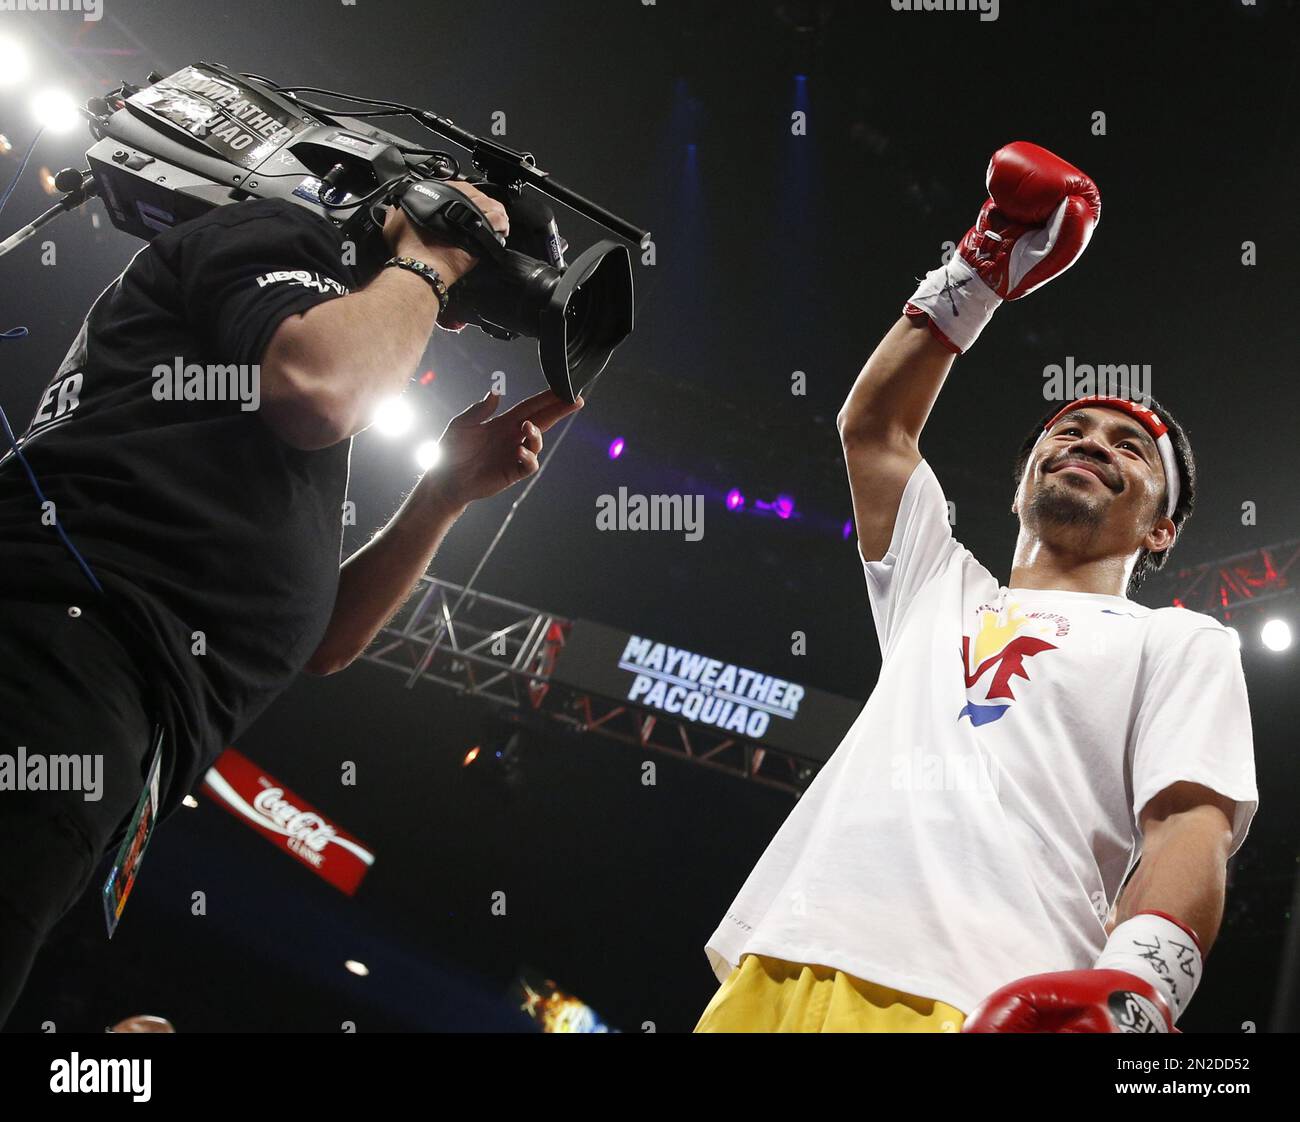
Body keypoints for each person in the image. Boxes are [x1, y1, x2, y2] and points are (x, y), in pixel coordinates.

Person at [696, 142, 1258, 1033]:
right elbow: (875, 430)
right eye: (1071, 427)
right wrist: (983, 264)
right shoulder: (940, 589)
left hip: (985, 997)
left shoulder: (1182, 642)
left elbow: (1191, 827)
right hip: (776, 966)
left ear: (1163, 529)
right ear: (1022, 479)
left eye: (1130, 445)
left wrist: (1135, 996)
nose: (1092, 442)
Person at [0, 179, 581, 1027]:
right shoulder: (281, 236)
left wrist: (441, 497)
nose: (454, 318)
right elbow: (317, 388)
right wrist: (427, 260)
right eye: (469, 289)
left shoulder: (303, 372)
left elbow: (327, 641)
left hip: (120, 731)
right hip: (54, 654)